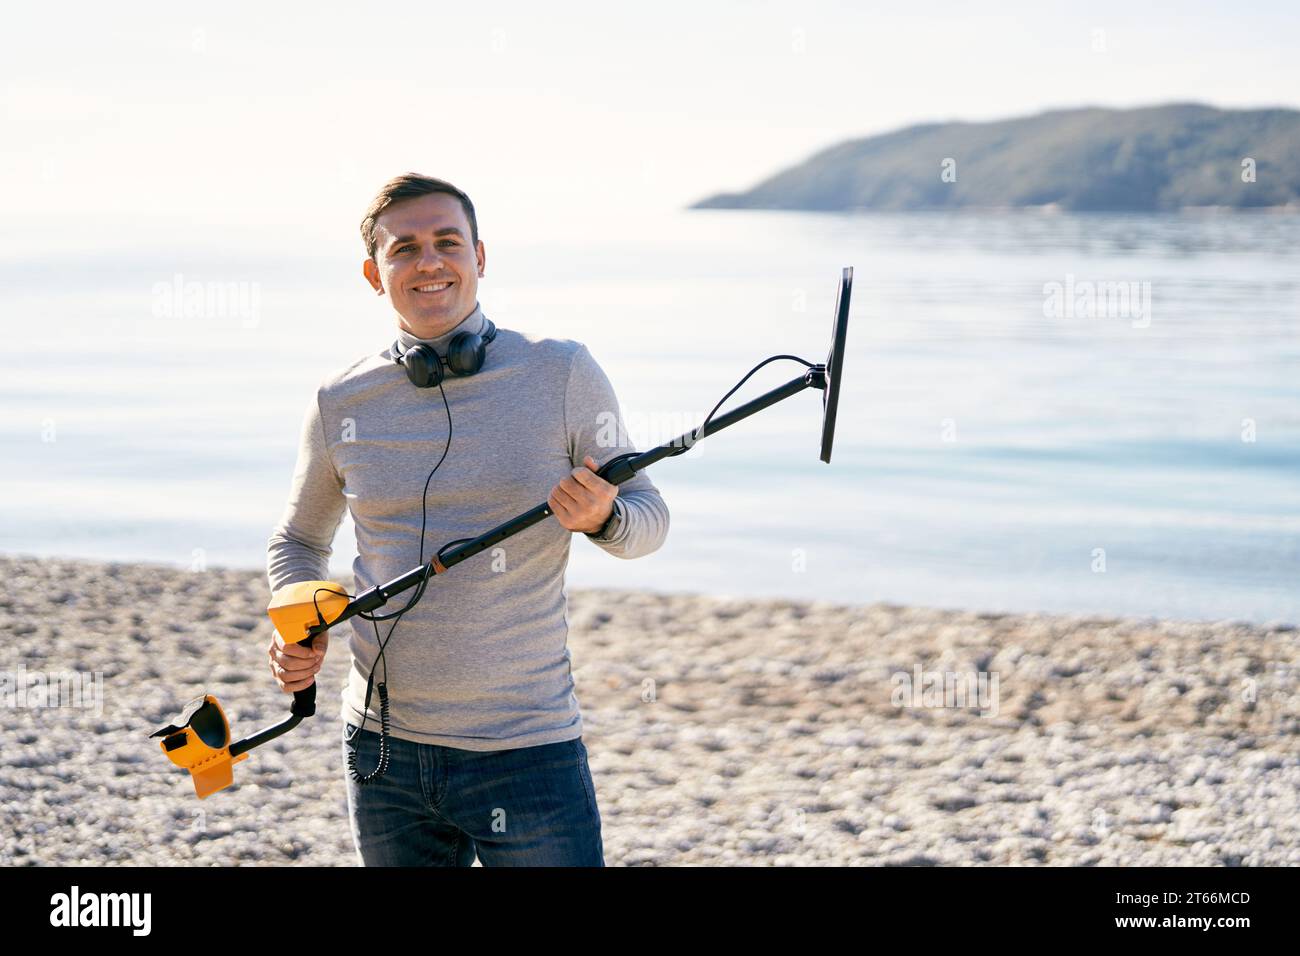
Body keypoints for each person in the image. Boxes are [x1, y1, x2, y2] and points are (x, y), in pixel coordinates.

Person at [265, 172, 670, 866]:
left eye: (447, 242)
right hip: (381, 746)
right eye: (405, 248)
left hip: (528, 749)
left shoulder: (562, 372)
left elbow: (648, 519)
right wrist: (296, 616)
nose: (429, 262)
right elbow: (299, 539)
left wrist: (603, 518)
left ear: (480, 257)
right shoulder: (341, 401)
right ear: (374, 272)